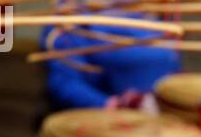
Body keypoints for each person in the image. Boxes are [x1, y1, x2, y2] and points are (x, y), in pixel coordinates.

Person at [42, 22, 180, 110]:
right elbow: (64, 83)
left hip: (167, 113)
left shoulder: (149, 7)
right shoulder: (72, 15)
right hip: (111, 125)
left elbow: (170, 59)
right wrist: (113, 105)